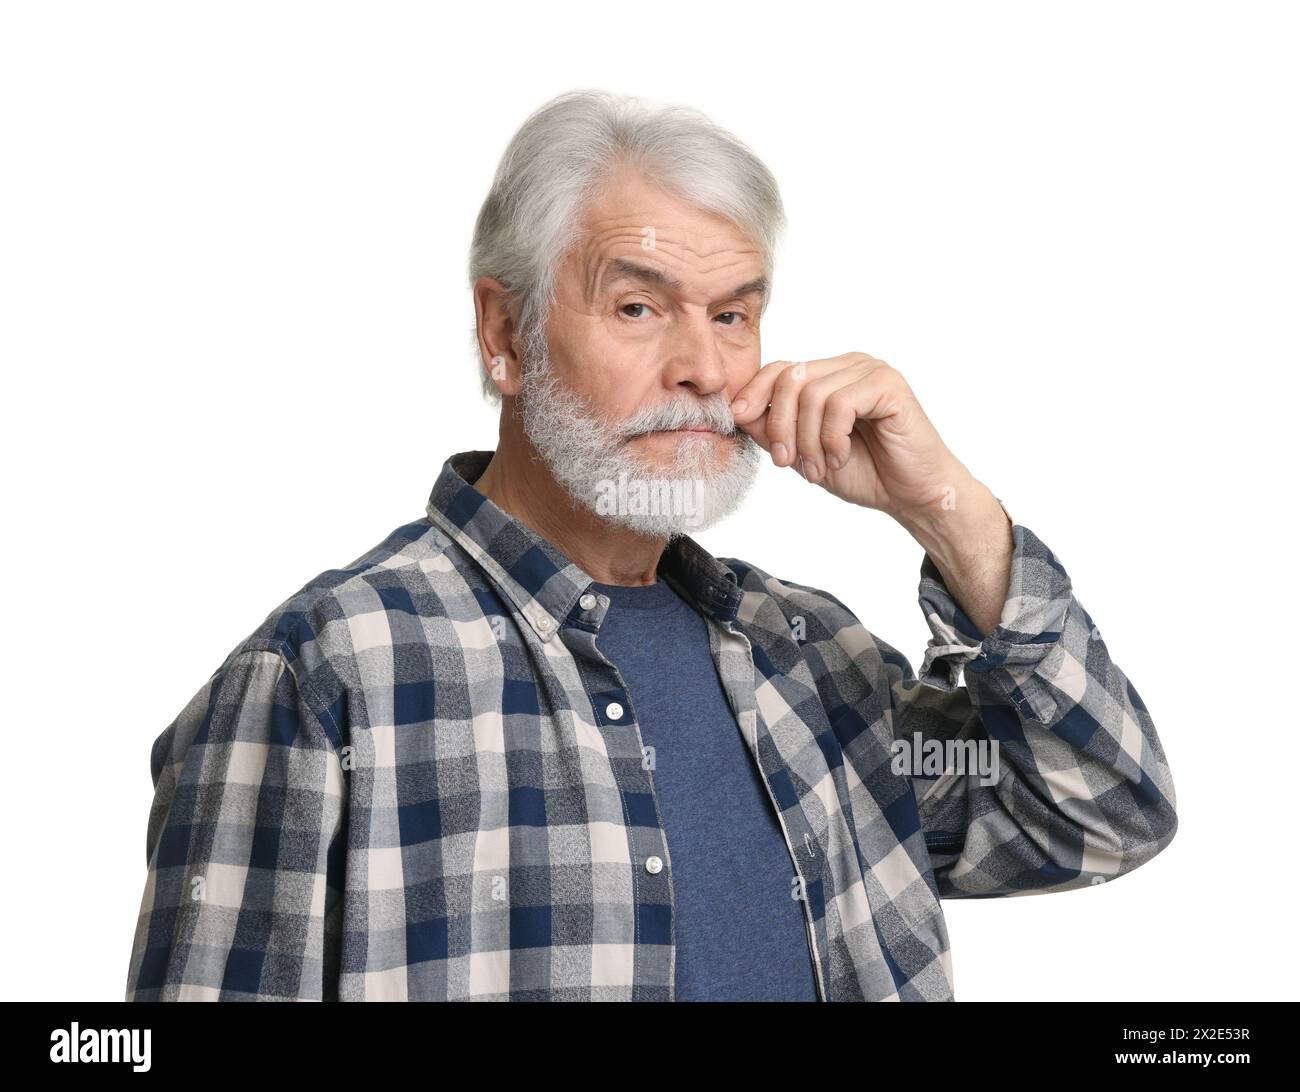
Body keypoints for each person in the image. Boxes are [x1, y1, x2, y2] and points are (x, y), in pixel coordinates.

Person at [125, 89, 1177, 1001]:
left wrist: (946, 509)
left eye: (732, 316)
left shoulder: (814, 661)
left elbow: (1102, 810)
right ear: (504, 334)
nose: (704, 370)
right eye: (638, 307)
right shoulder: (323, 680)